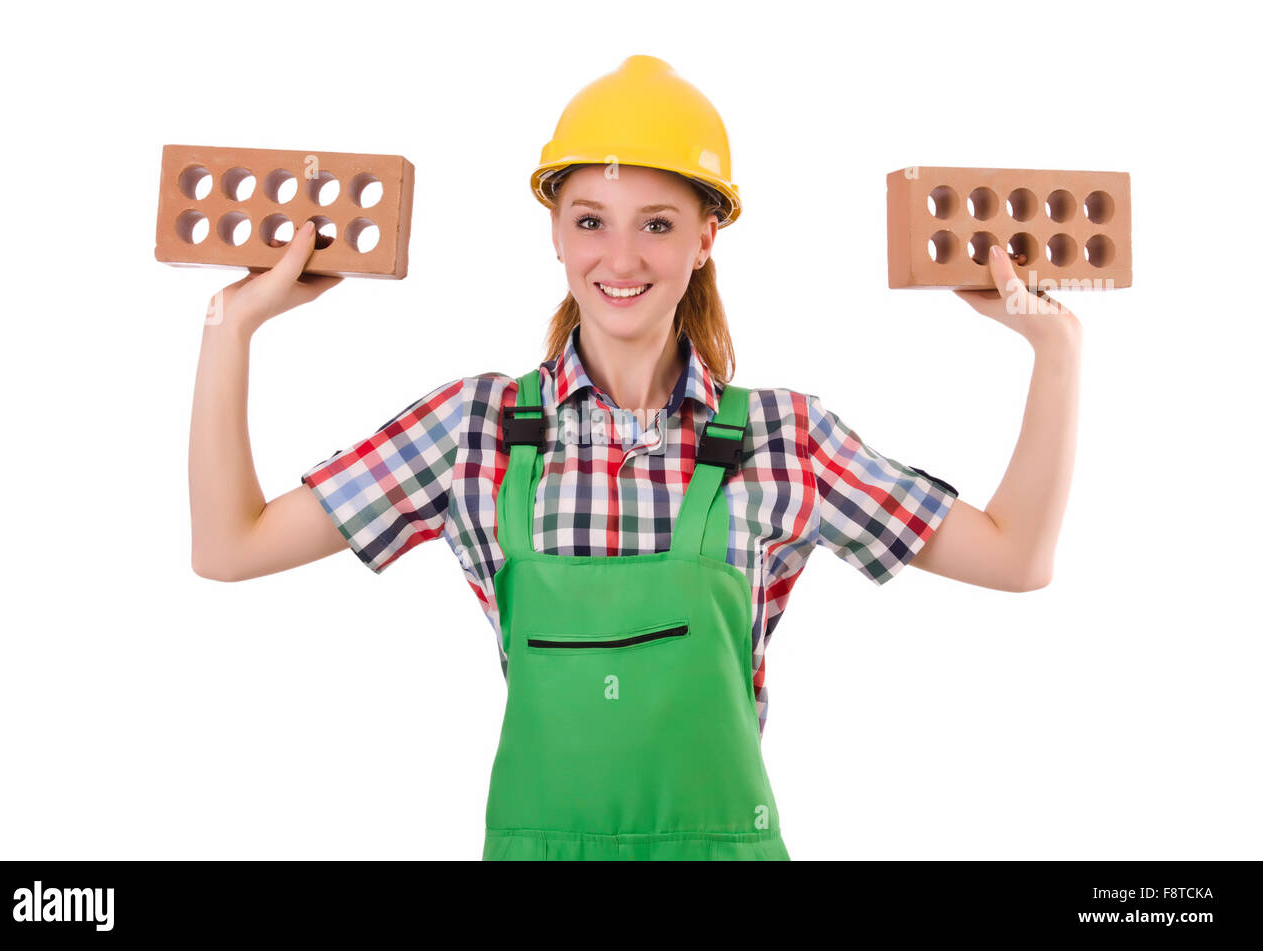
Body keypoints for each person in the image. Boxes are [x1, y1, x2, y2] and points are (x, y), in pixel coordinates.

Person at [188, 55, 1082, 860]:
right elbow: (230, 546)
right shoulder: (475, 429)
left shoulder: (786, 440)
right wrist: (230, 328)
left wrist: (1058, 351)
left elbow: (1015, 555)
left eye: (657, 224)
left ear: (705, 240)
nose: (620, 257)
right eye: (591, 220)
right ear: (556, 233)